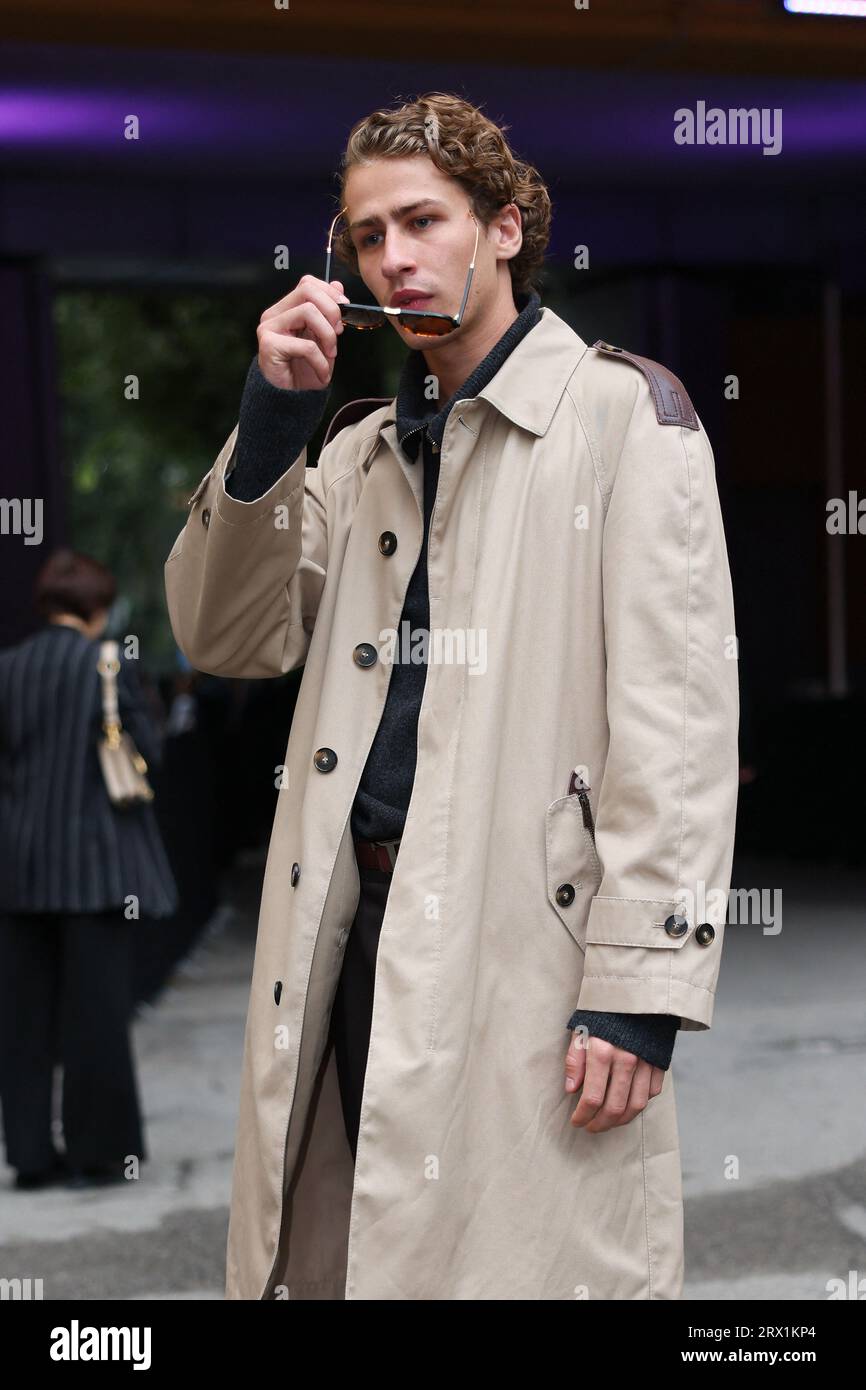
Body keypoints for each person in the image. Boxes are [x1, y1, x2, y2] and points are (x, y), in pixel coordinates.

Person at [165, 92, 739, 1300]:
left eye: (422, 221)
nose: (392, 257)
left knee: (518, 1262)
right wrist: (271, 419)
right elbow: (224, 633)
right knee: (351, 1252)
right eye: (366, 236)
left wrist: (639, 994)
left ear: (504, 228)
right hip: (346, 939)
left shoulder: (624, 419)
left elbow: (676, 729)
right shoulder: (354, 449)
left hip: (524, 953)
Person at [0, 549, 178, 1190]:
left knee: (21, 1021)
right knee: (93, 1016)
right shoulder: (109, 663)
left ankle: (28, 1157)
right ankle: (97, 1155)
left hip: (19, 871)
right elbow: (147, 752)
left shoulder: (8, 669)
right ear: (98, 607)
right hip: (95, 869)